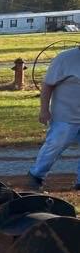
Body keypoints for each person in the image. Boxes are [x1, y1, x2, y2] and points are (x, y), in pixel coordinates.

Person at [28, 44, 80, 191]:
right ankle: (36, 175)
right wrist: (44, 110)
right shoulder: (65, 58)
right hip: (66, 116)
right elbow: (47, 85)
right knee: (54, 146)